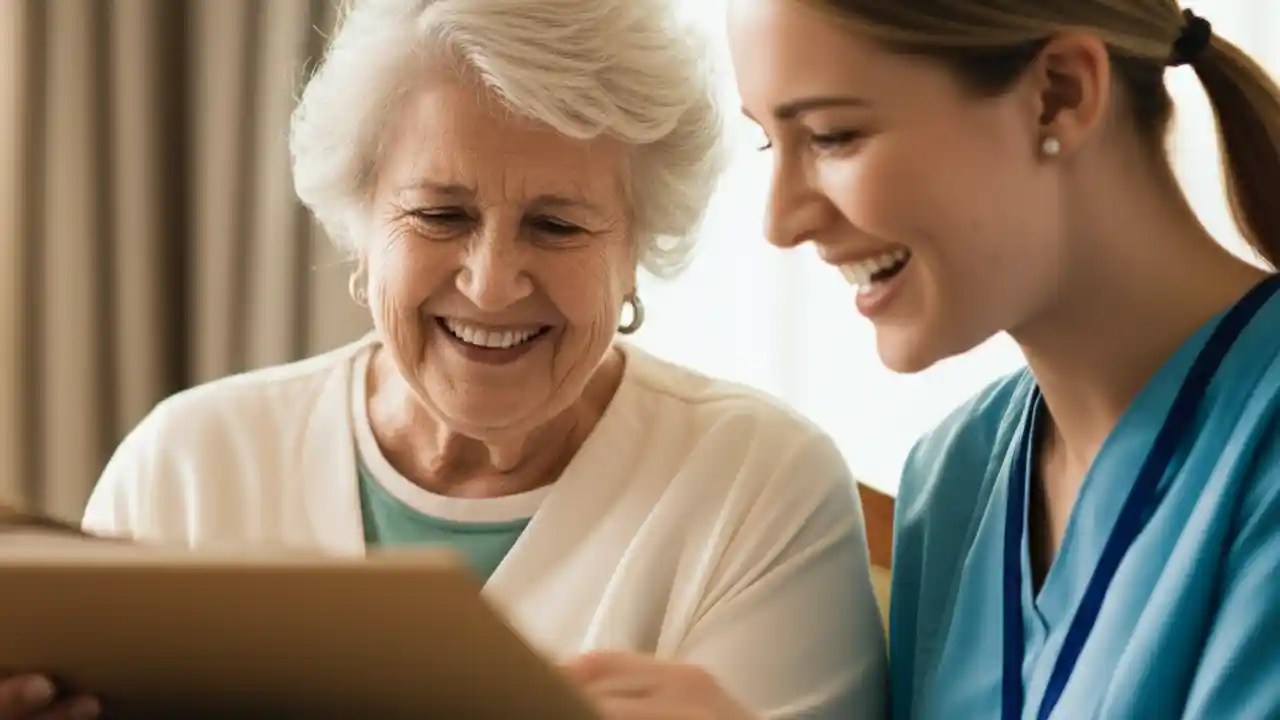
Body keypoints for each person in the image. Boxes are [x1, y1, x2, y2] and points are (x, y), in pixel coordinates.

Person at [0, 1, 890, 719]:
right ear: (360, 228)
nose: (492, 283)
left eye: (557, 225)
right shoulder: (188, 467)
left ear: (636, 252)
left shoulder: (756, 487)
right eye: (440, 215)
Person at [564, 0, 1280, 718]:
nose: (781, 222)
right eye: (768, 144)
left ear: (1059, 94)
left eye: (832, 136)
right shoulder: (955, 478)